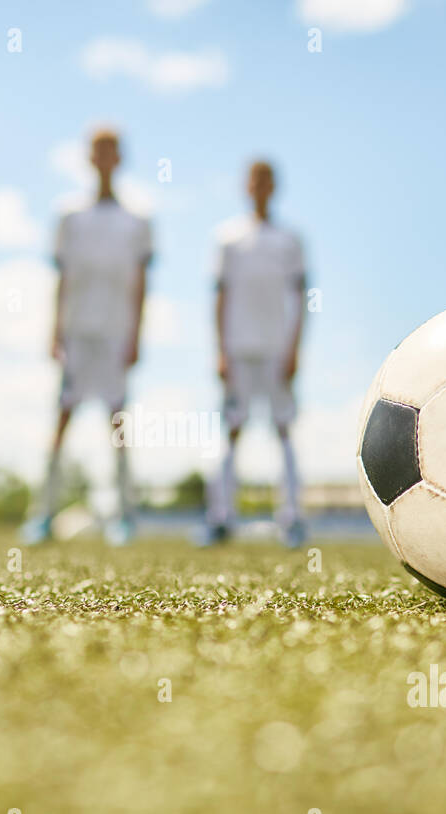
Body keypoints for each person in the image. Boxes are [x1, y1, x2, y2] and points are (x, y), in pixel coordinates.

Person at [22, 127, 152, 545]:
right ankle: (42, 512)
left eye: (111, 150)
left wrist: (136, 334)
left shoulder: (137, 221)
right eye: (98, 150)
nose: (104, 158)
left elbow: (140, 282)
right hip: (77, 333)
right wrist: (54, 329)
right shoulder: (69, 216)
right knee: (61, 420)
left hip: (115, 334)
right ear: (88, 158)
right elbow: (60, 277)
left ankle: (122, 515)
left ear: (120, 157)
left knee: (116, 424)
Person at [201, 160, 308, 548]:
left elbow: (300, 299)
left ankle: (292, 518)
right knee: (232, 431)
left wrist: (294, 348)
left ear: (274, 187)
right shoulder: (228, 238)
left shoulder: (290, 240)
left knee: (283, 430)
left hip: (277, 351)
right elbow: (220, 296)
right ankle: (220, 518)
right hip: (240, 351)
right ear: (246, 186)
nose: (260, 186)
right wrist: (221, 351)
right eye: (254, 180)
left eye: (267, 180)